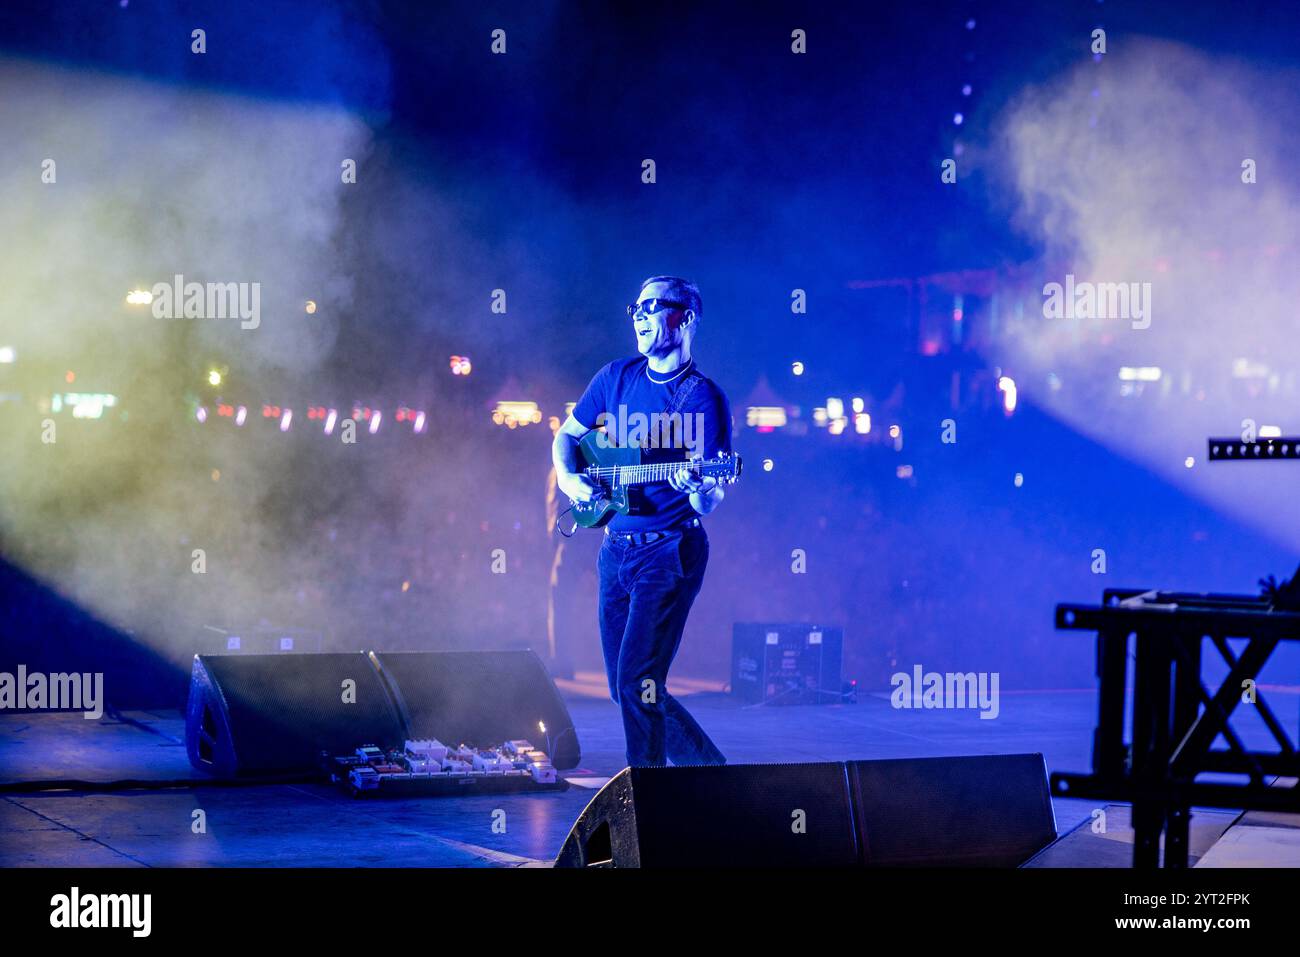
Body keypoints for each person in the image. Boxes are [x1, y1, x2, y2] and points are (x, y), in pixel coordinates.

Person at [551, 276, 732, 767]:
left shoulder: (703, 398)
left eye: (652, 306)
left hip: (669, 551)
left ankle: (650, 802)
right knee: (622, 686)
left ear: (686, 318)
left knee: (638, 682)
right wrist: (571, 482)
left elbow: (711, 497)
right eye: (635, 306)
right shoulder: (615, 377)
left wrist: (700, 489)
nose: (638, 315)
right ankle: (711, 776)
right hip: (615, 550)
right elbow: (566, 437)